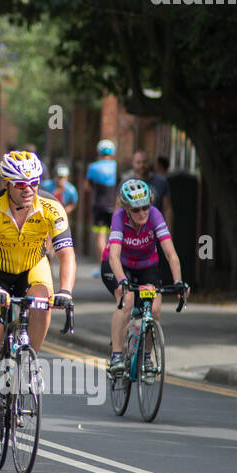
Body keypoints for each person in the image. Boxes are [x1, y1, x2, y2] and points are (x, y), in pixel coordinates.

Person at [0, 151, 76, 453]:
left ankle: (29, 360)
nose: (28, 189)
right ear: (6, 183)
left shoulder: (52, 208)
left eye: (33, 182)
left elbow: (66, 254)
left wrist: (66, 291)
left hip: (32, 267)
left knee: (43, 300)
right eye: (20, 184)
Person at [102, 179, 187, 374]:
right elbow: (114, 256)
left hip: (146, 266)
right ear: (126, 208)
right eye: (136, 210)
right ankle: (116, 356)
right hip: (117, 265)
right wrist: (122, 281)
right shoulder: (119, 217)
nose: (142, 213)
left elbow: (170, 253)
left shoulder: (155, 215)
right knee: (127, 300)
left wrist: (178, 282)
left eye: (145, 207)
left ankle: (147, 358)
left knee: (155, 309)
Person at [86, 139, 118, 269]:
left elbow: (87, 187)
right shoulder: (116, 166)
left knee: (100, 236)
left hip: (99, 205)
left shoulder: (93, 167)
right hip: (114, 205)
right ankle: (114, 264)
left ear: (99, 151)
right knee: (115, 236)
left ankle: (103, 266)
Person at [124, 149, 173, 233]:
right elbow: (119, 209)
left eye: (144, 162)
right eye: (138, 162)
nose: (142, 165)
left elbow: (167, 209)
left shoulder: (161, 182)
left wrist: (168, 232)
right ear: (133, 164)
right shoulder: (126, 184)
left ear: (149, 162)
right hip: (133, 234)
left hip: (156, 232)